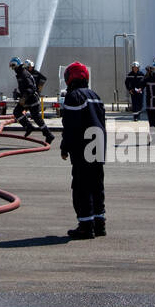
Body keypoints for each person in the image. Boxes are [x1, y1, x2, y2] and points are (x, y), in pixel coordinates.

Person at [59, 61, 107, 239]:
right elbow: (102, 123)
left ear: (69, 78)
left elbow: (70, 126)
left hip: (83, 148)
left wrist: (65, 147)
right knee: (97, 185)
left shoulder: (74, 97)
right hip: (98, 146)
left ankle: (86, 226)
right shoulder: (95, 95)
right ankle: (99, 223)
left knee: (81, 186)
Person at [10, 57, 54, 145]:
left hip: (32, 99)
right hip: (27, 99)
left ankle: (49, 135)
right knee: (17, 112)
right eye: (12, 67)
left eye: (14, 66)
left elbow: (31, 88)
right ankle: (29, 127)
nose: (13, 68)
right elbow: (25, 88)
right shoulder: (20, 74)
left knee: (36, 117)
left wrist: (24, 97)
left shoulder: (23, 74)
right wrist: (18, 94)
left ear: (18, 64)